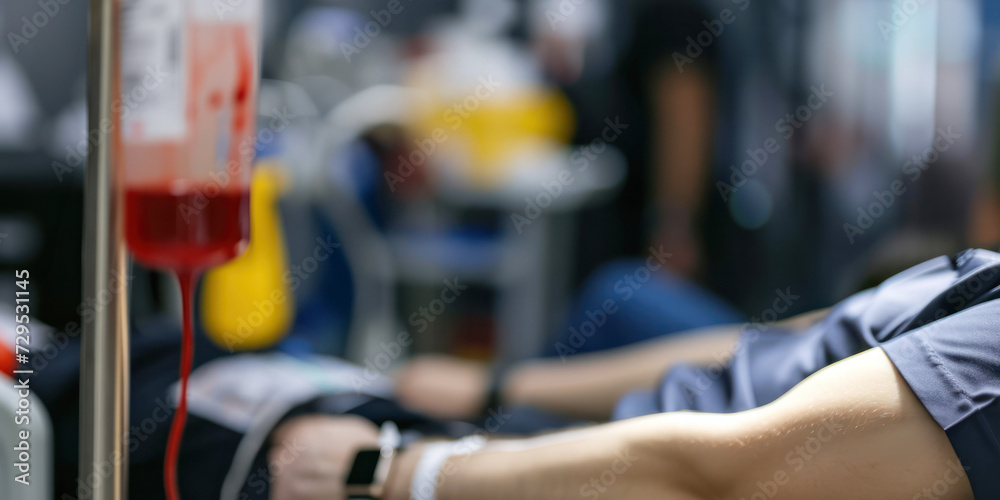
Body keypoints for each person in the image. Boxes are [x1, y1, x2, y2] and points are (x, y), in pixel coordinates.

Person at [270, 248, 1000, 499]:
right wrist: (498, 386)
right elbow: (761, 342)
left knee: (262, 435)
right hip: (629, 437)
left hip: (639, 466)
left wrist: (396, 472)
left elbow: (721, 475)